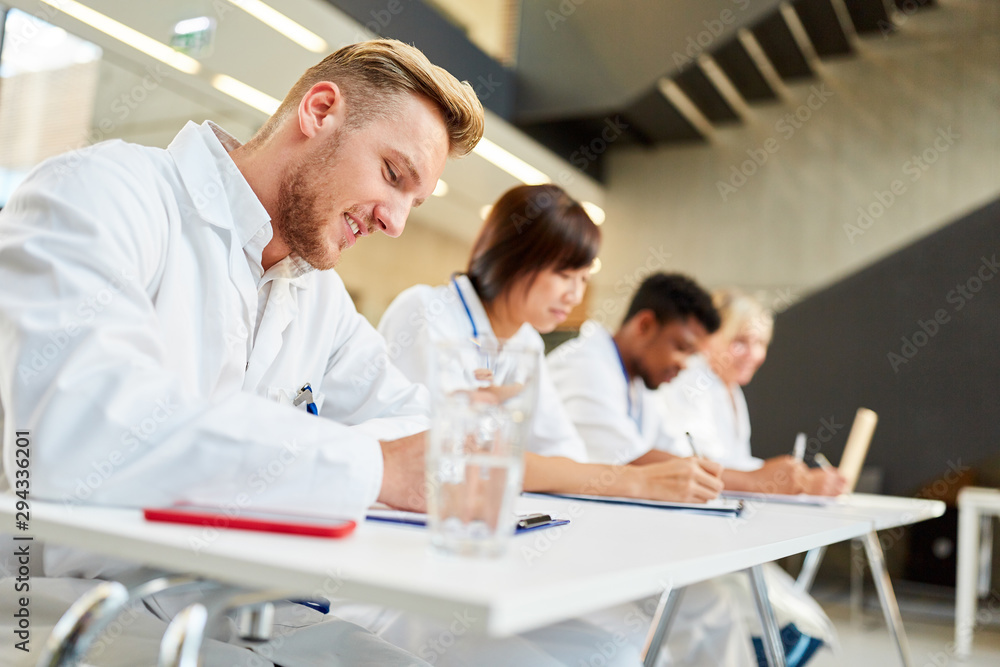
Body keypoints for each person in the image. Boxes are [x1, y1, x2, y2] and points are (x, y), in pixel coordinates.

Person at [0, 39, 483, 666]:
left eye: (413, 203)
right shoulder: (105, 192)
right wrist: (370, 467)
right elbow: (79, 431)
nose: (395, 222)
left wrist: (362, 462)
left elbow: (420, 428)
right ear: (319, 110)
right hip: (68, 609)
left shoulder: (318, 296)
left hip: (236, 608)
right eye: (393, 175)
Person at [378, 184, 724, 503]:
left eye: (584, 279)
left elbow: (567, 454)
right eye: (564, 274)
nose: (574, 295)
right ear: (515, 255)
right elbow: (445, 455)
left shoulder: (525, 341)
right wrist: (637, 482)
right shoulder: (426, 312)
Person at [547, 274, 763, 666]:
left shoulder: (639, 385)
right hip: (562, 554)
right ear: (645, 325)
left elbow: (680, 457)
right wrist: (758, 481)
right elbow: (633, 462)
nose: (683, 365)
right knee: (650, 636)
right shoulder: (585, 365)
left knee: (715, 606)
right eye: (681, 348)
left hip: (610, 542)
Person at [655, 289, 846, 496]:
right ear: (708, 338)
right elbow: (702, 466)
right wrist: (795, 482)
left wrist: (793, 477)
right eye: (740, 342)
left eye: (760, 343)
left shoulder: (730, 387)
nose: (753, 355)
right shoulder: (691, 380)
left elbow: (736, 463)